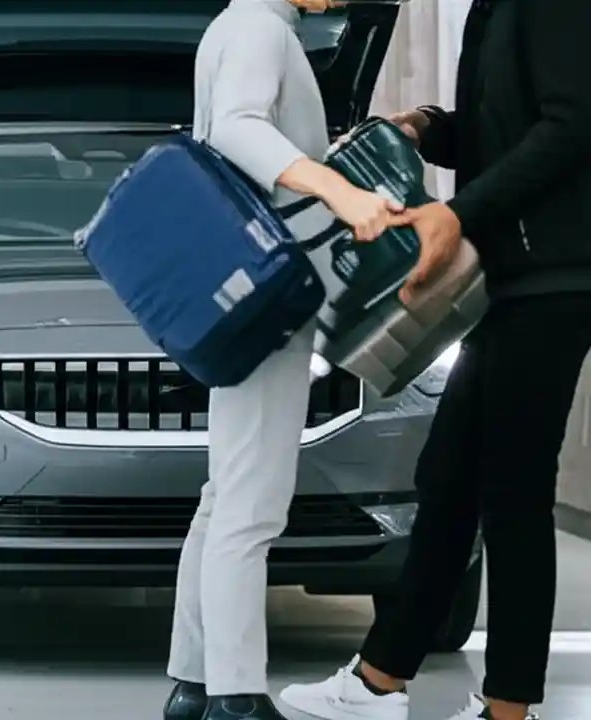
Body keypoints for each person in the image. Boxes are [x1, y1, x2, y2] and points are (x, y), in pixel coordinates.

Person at [279, 2, 591, 720]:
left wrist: (459, 213)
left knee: (513, 495)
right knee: (449, 480)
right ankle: (379, 681)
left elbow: (573, 124)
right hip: (510, 275)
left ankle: (508, 707)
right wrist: (425, 127)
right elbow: (501, 129)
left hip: (550, 277)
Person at [164, 1, 405, 719]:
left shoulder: (240, 25)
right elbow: (238, 127)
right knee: (252, 504)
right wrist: (339, 189)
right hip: (267, 297)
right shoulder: (260, 29)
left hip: (245, 291)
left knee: (225, 496)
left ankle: (195, 682)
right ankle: (236, 697)